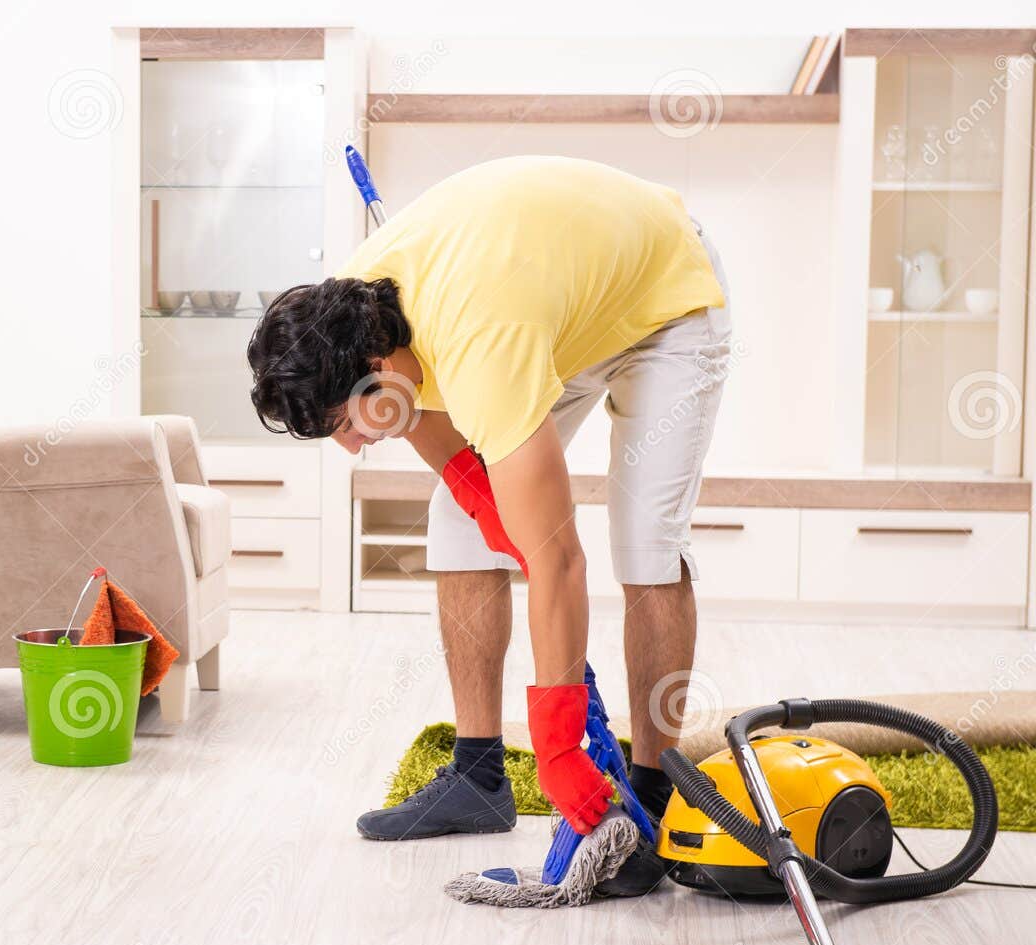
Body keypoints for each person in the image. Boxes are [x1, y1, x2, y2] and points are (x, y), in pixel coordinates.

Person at [247, 156, 731, 876]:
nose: (352, 448)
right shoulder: (349, 313)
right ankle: (478, 777)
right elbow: (412, 408)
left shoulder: (480, 341)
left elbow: (559, 561)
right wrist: (479, 495)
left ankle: (653, 792)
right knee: (458, 521)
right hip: (553, 308)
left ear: (375, 359)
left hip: (662, 298)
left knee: (644, 544)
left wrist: (560, 747)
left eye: (345, 424)